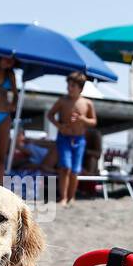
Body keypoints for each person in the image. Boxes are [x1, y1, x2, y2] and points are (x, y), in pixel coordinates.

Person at [47, 72, 97, 206]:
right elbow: (50, 115)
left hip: (79, 140)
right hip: (64, 138)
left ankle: (71, 197)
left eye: (73, 85)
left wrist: (82, 119)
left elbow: (93, 122)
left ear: (80, 87)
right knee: (65, 168)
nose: (69, 88)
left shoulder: (87, 103)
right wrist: (60, 126)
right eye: (68, 85)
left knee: (75, 170)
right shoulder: (63, 101)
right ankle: (63, 197)